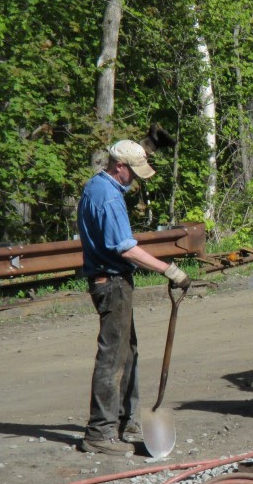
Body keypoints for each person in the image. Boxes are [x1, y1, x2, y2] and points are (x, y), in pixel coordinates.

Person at [77, 139, 191, 455]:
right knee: (113, 355)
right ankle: (99, 433)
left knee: (127, 352)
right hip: (111, 282)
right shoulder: (109, 199)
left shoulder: (96, 186)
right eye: (134, 173)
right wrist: (169, 270)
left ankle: (125, 421)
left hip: (110, 280)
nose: (137, 180)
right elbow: (125, 248)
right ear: (119, 167)